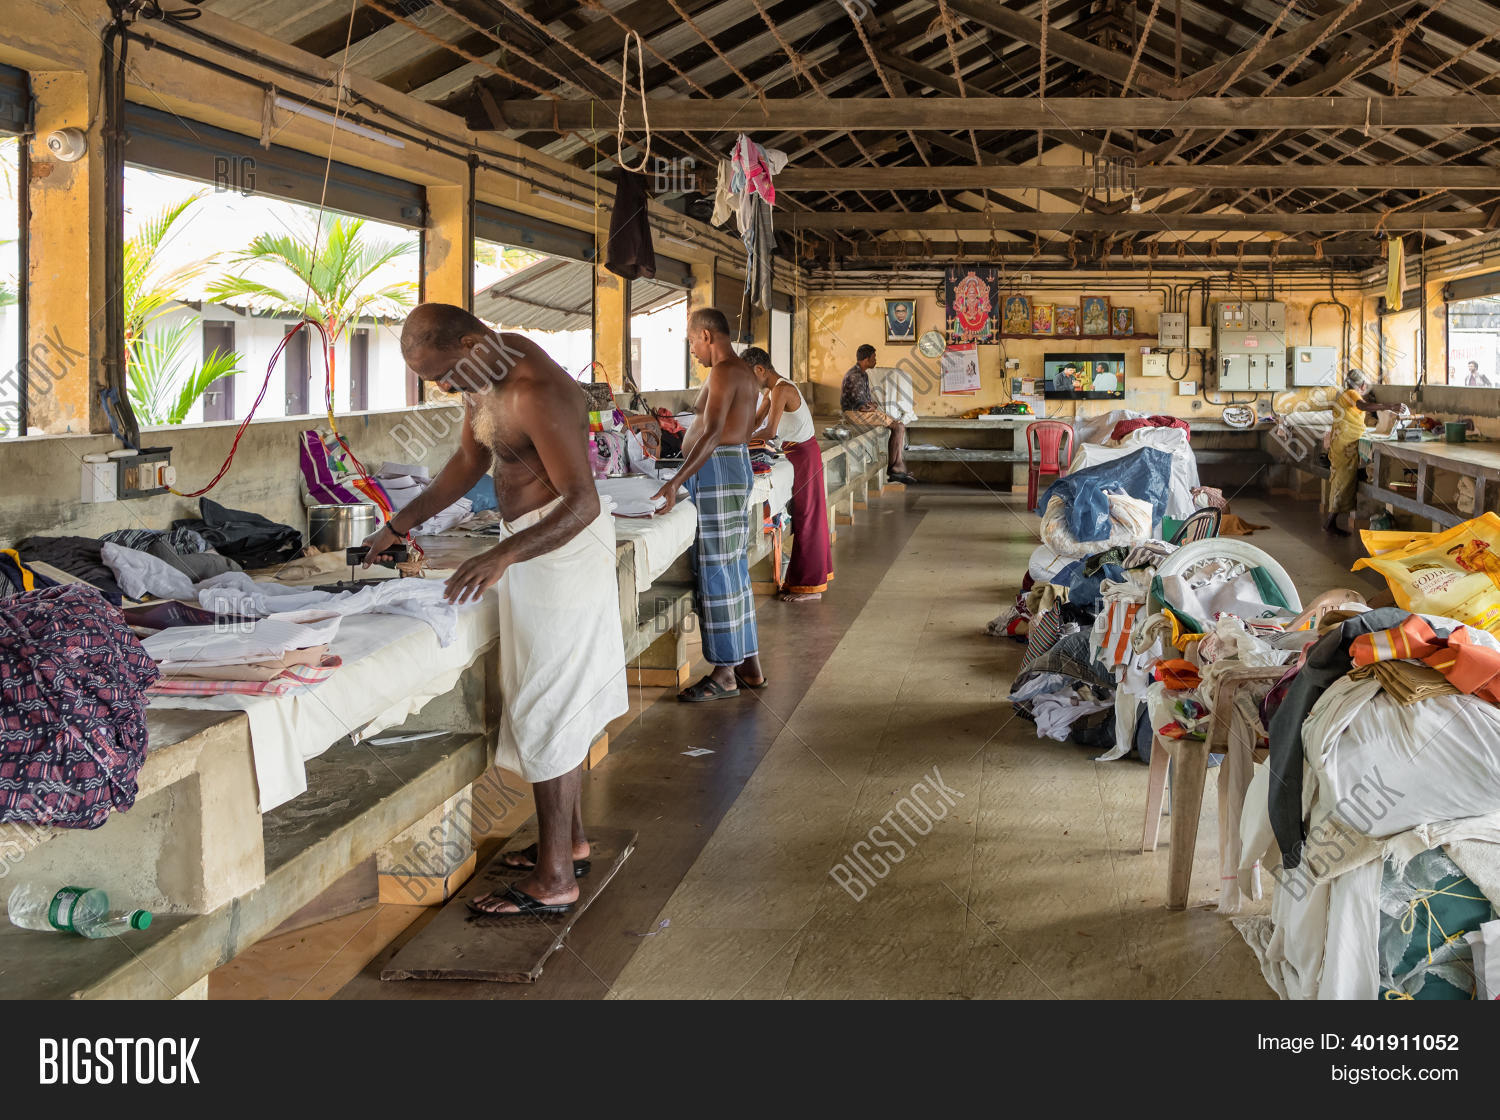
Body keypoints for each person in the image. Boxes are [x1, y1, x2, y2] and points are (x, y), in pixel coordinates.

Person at [363, 302, 627, 916]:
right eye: (434, 380)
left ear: (474, 340)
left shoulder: (536, 389)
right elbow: (469, 462)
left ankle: (556, 879)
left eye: (446, 373)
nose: (446, 387)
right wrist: (397, 525)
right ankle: (570, 844)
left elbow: (582, 502)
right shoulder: (481, 380)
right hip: (528, 547)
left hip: (561, 549)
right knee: (543, 693)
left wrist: (504, 554)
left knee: (550, 702)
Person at [652, 308, 767, 700]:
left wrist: (675, 482)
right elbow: (738, 428)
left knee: (716, 569)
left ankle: (723, 674)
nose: (692, 351)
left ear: (705, 335)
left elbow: (714, 432)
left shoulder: (722, 371)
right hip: (731, 465)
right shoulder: (745, 374)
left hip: (717, 469)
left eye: (690, 342)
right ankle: (748, 664)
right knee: (733, 566)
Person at [744, 346, 832, 602]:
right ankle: (801, 582)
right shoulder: (773, 390)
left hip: (804, 455)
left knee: (808, 518)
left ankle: (810, 588)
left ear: (760, 370)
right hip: (796, 454)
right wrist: (738, 432)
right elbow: (756, 421)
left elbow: (769, 431)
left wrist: (738, 441)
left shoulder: (782, 389)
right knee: (804, 516)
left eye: (750, 377)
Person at [1323, 369, 1403, 536]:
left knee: (1343, 481)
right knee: (1342, 483)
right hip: (1344, 445)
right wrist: (1388, 406)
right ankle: (1330, 523)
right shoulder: (1352, 394)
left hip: (1343, 444)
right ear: (1362, 385)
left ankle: (1330, 522)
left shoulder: (1344, 394)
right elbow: (1363, 406)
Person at [842, 344, 916, 484]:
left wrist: (872, 405)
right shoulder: (855, 376)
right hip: (854, 414)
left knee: (899, 426)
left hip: (860, 412)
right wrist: (866, 407)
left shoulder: (863, 374)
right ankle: (895, 467)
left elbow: (867, 400)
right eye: (874, 358)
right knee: (898, 427)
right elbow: (856, 403)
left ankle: (896, 467)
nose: (876, 361)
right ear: (866, 359)